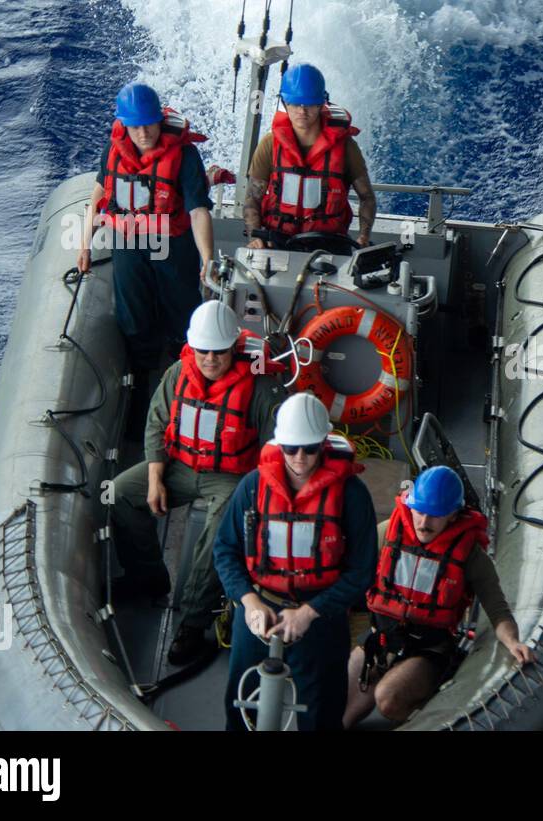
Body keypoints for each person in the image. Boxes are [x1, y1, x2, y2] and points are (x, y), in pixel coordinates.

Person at [109, 301, 285, 666]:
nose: (209, 359)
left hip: (232, 476)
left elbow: (273, 451)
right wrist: (155, 478)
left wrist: (255, 494)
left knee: (219, 531)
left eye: (217, 352)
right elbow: (157, 423)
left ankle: (193, 620)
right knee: (123, 494)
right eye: (202, 350)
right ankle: (147, 576)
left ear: (232, 349)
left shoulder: (260, 388)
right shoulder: (177, 374)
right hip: (180, 466)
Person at [213, 393, 378, 731]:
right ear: (279, 443)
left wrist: (309, 613)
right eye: (290, 448)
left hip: (320, 618)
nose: (300, 457)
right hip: (260, 613)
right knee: (241, 708)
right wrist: (250, 602)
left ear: (324, 443)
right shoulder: (253, 487)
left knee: (320, 713)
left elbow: (362, 570)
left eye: (310, 448)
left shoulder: (352, 494)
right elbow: (225, 549)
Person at [342, 466, 535, 729]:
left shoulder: (470, 555)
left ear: (453, 515)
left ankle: (423, 706)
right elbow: (349, 573)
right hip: (381, 640)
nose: (423, 523)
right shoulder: (387, 533)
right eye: (419, 512)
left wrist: (513, 642)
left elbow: (497, 609)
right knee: (338, 711)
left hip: (427, 651)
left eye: (434, 516)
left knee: (388, 699)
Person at [78, 82, 215, 377]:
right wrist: (84, 246)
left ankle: (186, 365)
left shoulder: (185, 156)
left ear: (159, 120)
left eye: (149, 124)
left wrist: (206, 256)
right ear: (124, 125)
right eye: (135, 126)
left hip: (173, 244)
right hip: (128, 243)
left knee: (183, 308)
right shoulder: (112, 152)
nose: (143, 133)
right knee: (132, 312)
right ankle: (143, 371)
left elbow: (198, 210)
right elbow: (98, 195)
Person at [241, 63, 376, 249]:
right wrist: (254, 237)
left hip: (329, 244)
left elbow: (367, 197)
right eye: (295, 104)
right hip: (278, 242)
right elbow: (252, 198)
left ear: (322, 103)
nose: (302, 112)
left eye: (309, 105)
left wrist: (363, 237)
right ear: (284, 103)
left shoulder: (346, 147)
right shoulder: (269, 145)